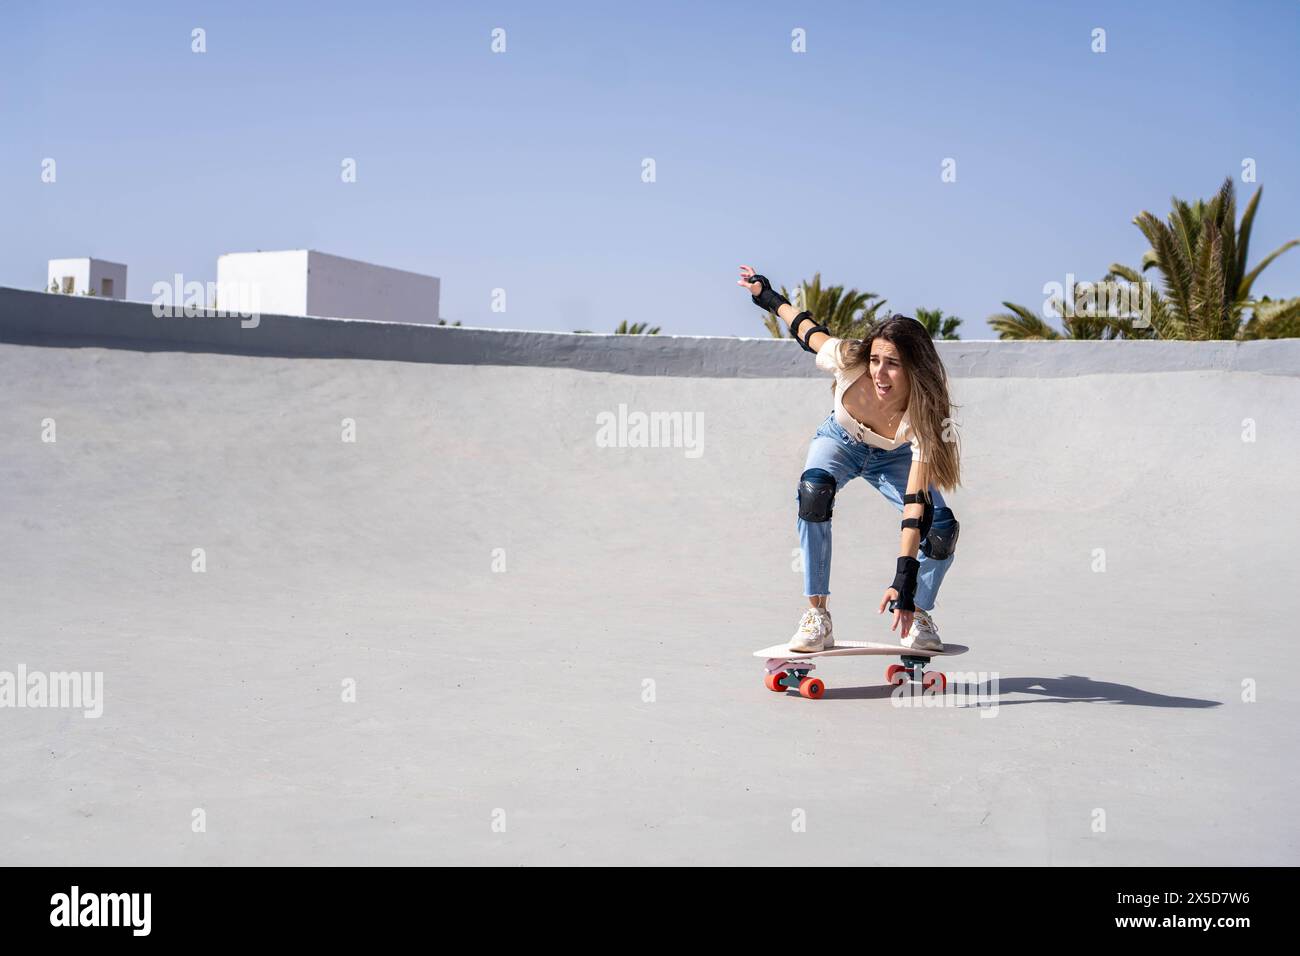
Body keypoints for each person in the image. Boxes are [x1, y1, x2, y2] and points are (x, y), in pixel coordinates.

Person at [738, 265, 962, 652]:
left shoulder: (925, 415)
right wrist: (768, 297)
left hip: (893, 458)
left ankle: (918, 613)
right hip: (840, 440)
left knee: (941, 527)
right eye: (876, 360)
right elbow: (807, 331)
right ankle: (818, 616)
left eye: (892, 363)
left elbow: (914, 508)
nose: (880, 373)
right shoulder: (849, 359)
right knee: (814, 491)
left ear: (913, 366)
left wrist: (903, 581)